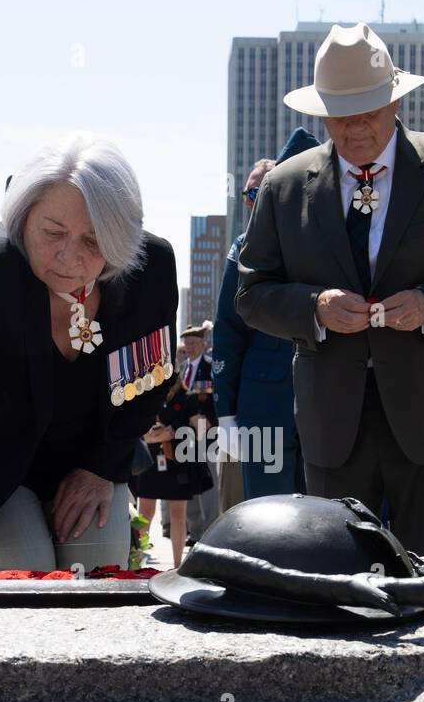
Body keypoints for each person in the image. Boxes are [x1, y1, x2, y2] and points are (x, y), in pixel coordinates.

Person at [237, 22, 424, 561]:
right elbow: (252, 293)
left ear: (396, 102)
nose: (355, 130)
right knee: (337, 581)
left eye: (368, 112)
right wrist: (314, 309)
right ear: (321, 114)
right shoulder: (283, 187)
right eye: (341, 117)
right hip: (332, 424)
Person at [0, 134, 178, 573]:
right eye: (53, 232)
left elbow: (150, 377)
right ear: (22, 218)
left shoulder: (149, 267)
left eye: (93, 242)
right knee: (27, 572)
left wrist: (101, 468)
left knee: (95, 573)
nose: (68, 258)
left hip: (93, 455)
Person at [214, 128, 318, 509]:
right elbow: (227, 329)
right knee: (268, 512)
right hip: (263, 402)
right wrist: (226, 412)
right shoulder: (245, 247)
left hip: (323, 397)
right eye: (249, 194)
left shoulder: (329, 241)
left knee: (323, 512)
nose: (253, 201)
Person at [130, 372, 215, 568]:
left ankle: (177, 566)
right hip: (150, 461)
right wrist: (150, 438)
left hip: (178, 463)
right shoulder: (146, 396)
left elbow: (200, 430)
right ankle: (136, 561)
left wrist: (177, 432)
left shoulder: (186, 398)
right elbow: (135, 427)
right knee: (144, 513)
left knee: (178, 515)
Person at [177, 320, 219, 544]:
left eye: (194, 342)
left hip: (207, 433)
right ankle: (195, 533)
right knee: (188, 483)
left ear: (203, 344)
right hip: (184, 435)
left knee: (209, 483)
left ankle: (211, 532)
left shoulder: (211, 367)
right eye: (187, 342)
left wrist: (211, 421)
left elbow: (218, 398)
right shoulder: (182, 369)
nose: (190, 347)